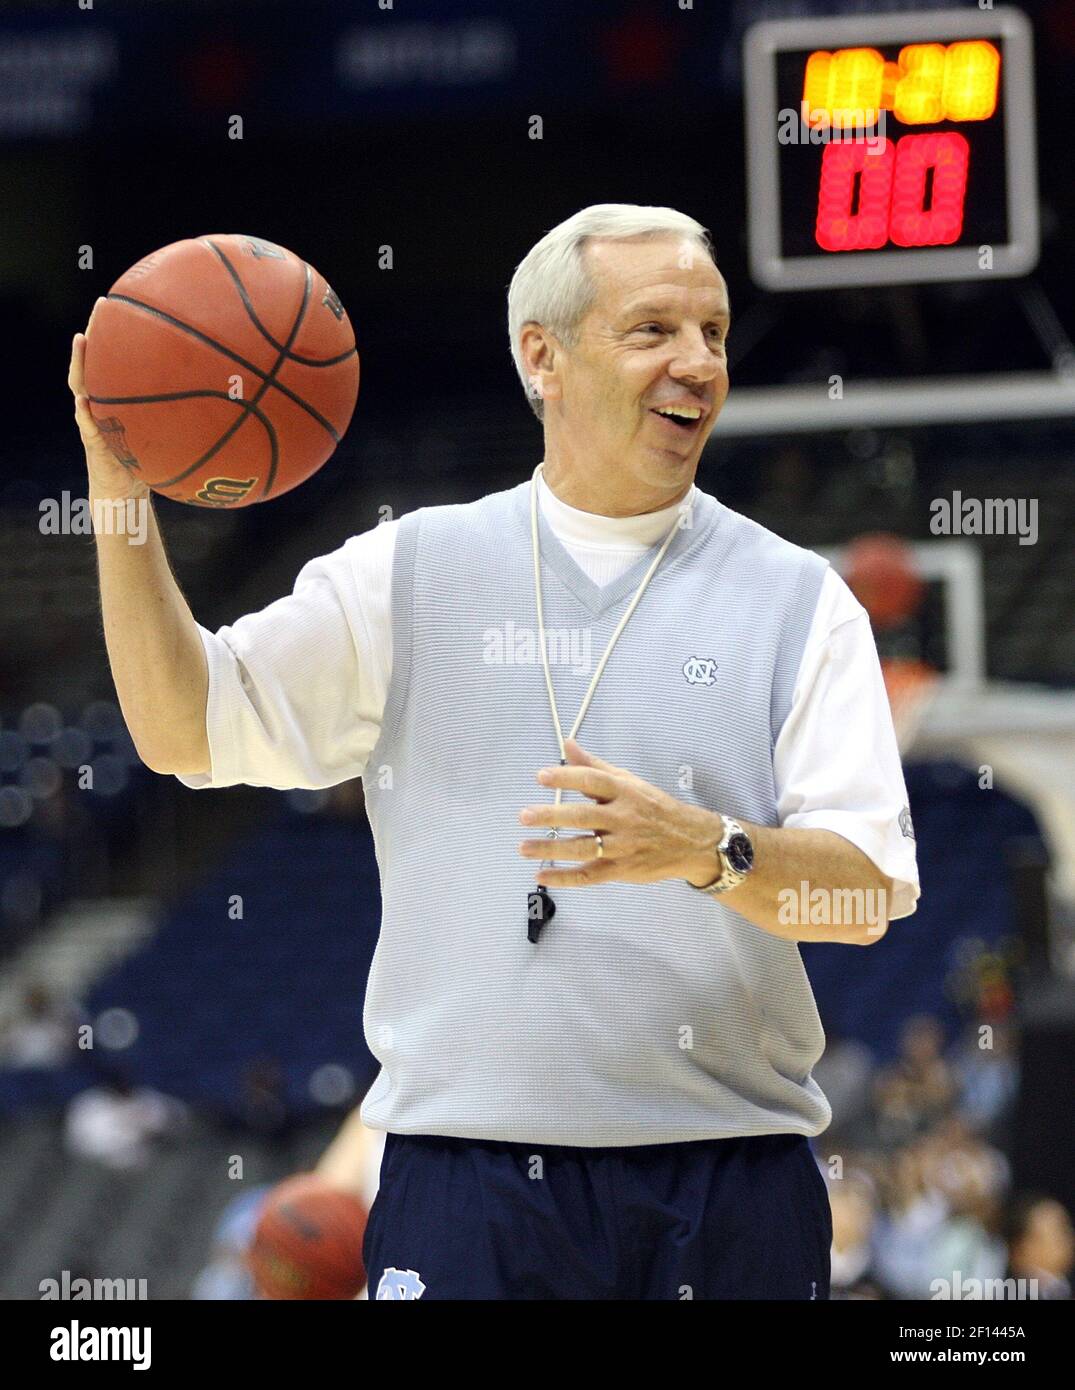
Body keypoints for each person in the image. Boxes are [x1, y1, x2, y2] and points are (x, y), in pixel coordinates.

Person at [70, 203, 920, 1300]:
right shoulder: (409, 571)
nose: (697, 362)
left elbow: (864, 900)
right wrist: (119, 488)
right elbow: (182, 729)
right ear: (543, 355)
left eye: (712, 332)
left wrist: (709, 849)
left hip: (730, 1182)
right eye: (655, 328)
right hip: (468, 1182)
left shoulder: (801, 600)